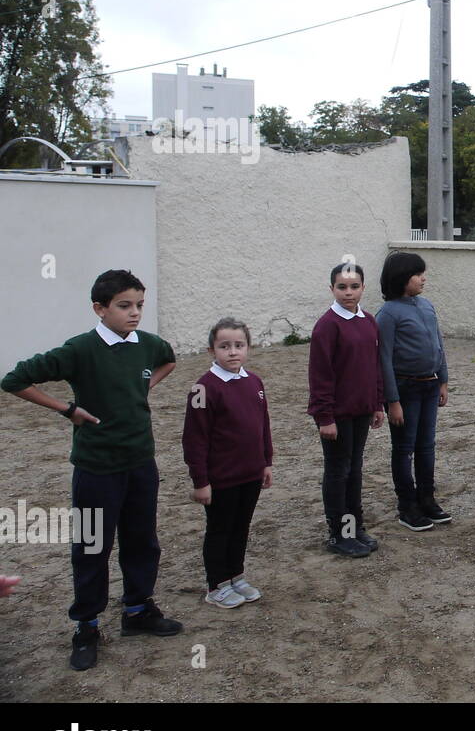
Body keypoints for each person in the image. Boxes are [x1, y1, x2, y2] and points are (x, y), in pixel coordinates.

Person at [1, 269, 183, 671]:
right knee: (91, 546)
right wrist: (67, 409)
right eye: (124, 306)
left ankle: (137, 610)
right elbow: (13, 380)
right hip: (97, 468)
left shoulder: (148, 345)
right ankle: (86, 624)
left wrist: (146, 384)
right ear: (99, 309)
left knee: (142, 540)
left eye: (139, 305)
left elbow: (168, 359)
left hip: (141, 462)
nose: (134, 313)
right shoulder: (79, 350)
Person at [182, 318, 273, 608]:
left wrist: (266, 462)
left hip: (250, 473)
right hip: (221, 478)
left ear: (248, 347)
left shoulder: (255, 382)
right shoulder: (203, 389)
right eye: (224, 346)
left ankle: (236, 576)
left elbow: (263, 426)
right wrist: (201, 481)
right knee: (220, 530)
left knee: (241, 527)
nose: (232, 352)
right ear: (212, 350)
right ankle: (217, 584)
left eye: (238, 345)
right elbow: (194, 439)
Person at [308, 262, 385, 558]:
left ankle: (354, 528)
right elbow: (320, 375)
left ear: (363, 288)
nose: (348, 292)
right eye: (342, 287)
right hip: (336, 415)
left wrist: (377, 403)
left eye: (354, 287)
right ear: (332, 289)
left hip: (361, 410)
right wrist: (324, 417)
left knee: (355, 470)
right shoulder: (327, 326)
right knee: (338, 471)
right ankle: (338, 533)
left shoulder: (368, 321)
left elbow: (373, 367)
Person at [377, 252, 452, 530]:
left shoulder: (427, 305)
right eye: (417, 274)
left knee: (426, 446)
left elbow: (438, 343)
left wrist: (442, 379)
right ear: (400, 278)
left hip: (430, 386)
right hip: (405, 389)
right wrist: (392, 400)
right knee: (404, 447)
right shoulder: (388, 314)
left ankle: (427, 499)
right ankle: (407, 506)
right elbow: (383, 359)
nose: (423, 278)